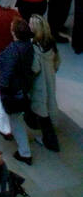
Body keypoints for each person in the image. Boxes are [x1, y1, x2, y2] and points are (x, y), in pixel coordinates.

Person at [0, 19, 35, 164]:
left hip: (13, 91)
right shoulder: (28, 46)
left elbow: (6, 74)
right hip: (23, 87)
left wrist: (1, 87)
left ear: (14, 32)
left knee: (16, 120)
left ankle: (25, 153)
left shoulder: (13, 50)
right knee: (16, 117)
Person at [28, 14, 60, 152]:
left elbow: (35, 68)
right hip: (50, 78)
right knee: (48, 104)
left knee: (42, 112)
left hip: (39, 83)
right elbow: (58, 62)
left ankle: (50, 142)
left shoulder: (35, 47)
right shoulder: (51, 44)